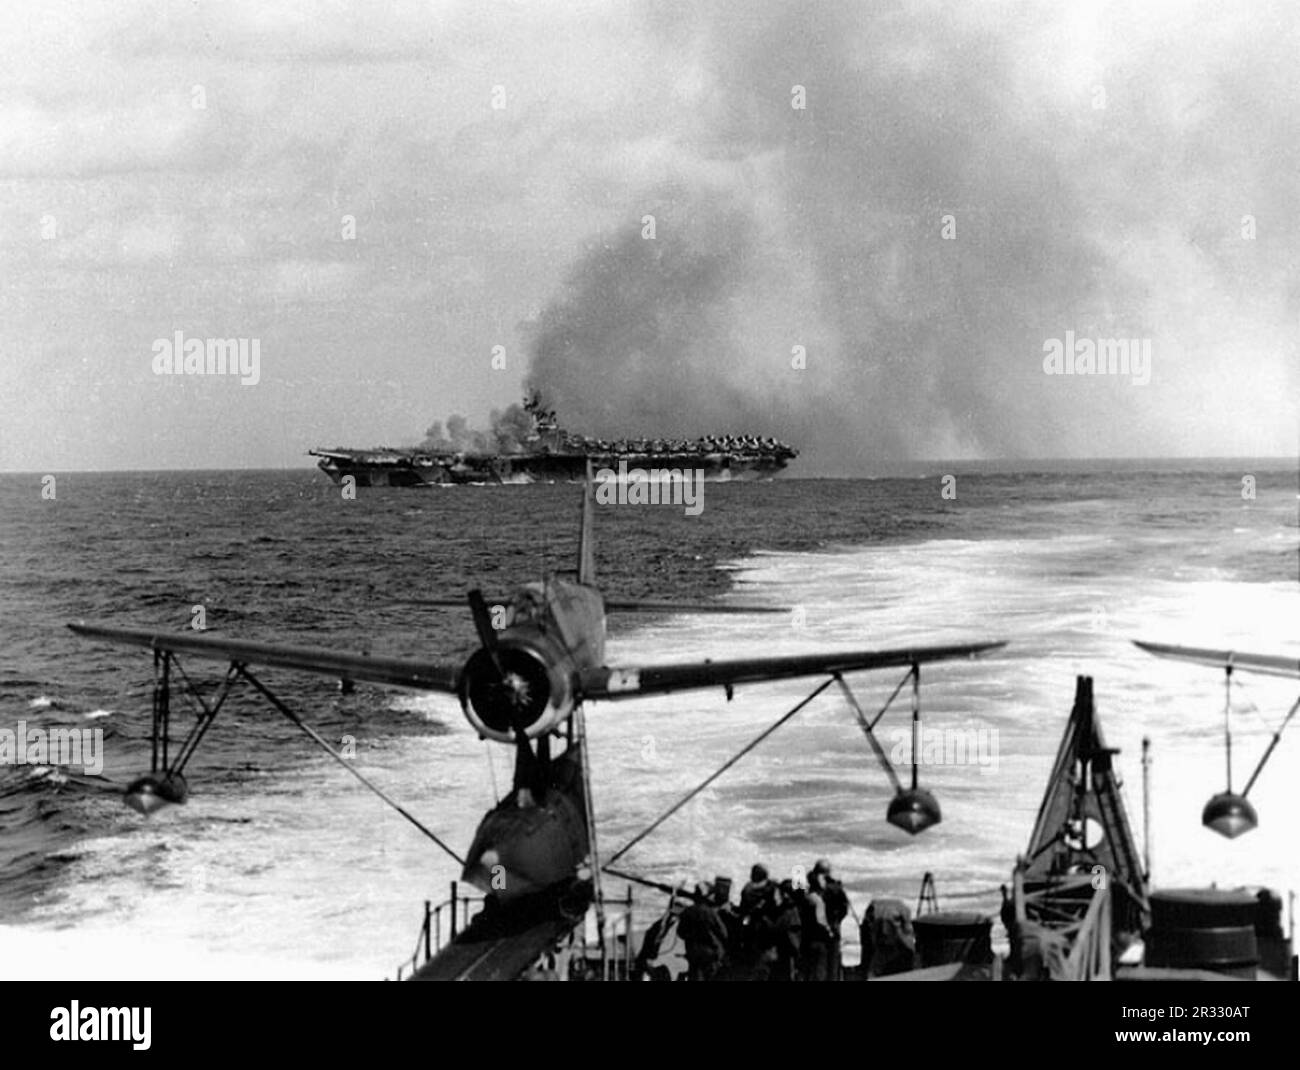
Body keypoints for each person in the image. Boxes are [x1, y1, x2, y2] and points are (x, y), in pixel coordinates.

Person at [677, 882, 730, 981]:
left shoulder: (687, 911)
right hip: (711, 954)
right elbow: (724, 933)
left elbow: (681, 932)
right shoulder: (711, 913)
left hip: (692, 952)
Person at [811, 859, 850, 980]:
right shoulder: (835, 888)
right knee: (833, 967)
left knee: (817, 968)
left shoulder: (810, 886)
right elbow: (844, 908)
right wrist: (836, 921)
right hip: (832, 930)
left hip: (813, 932)